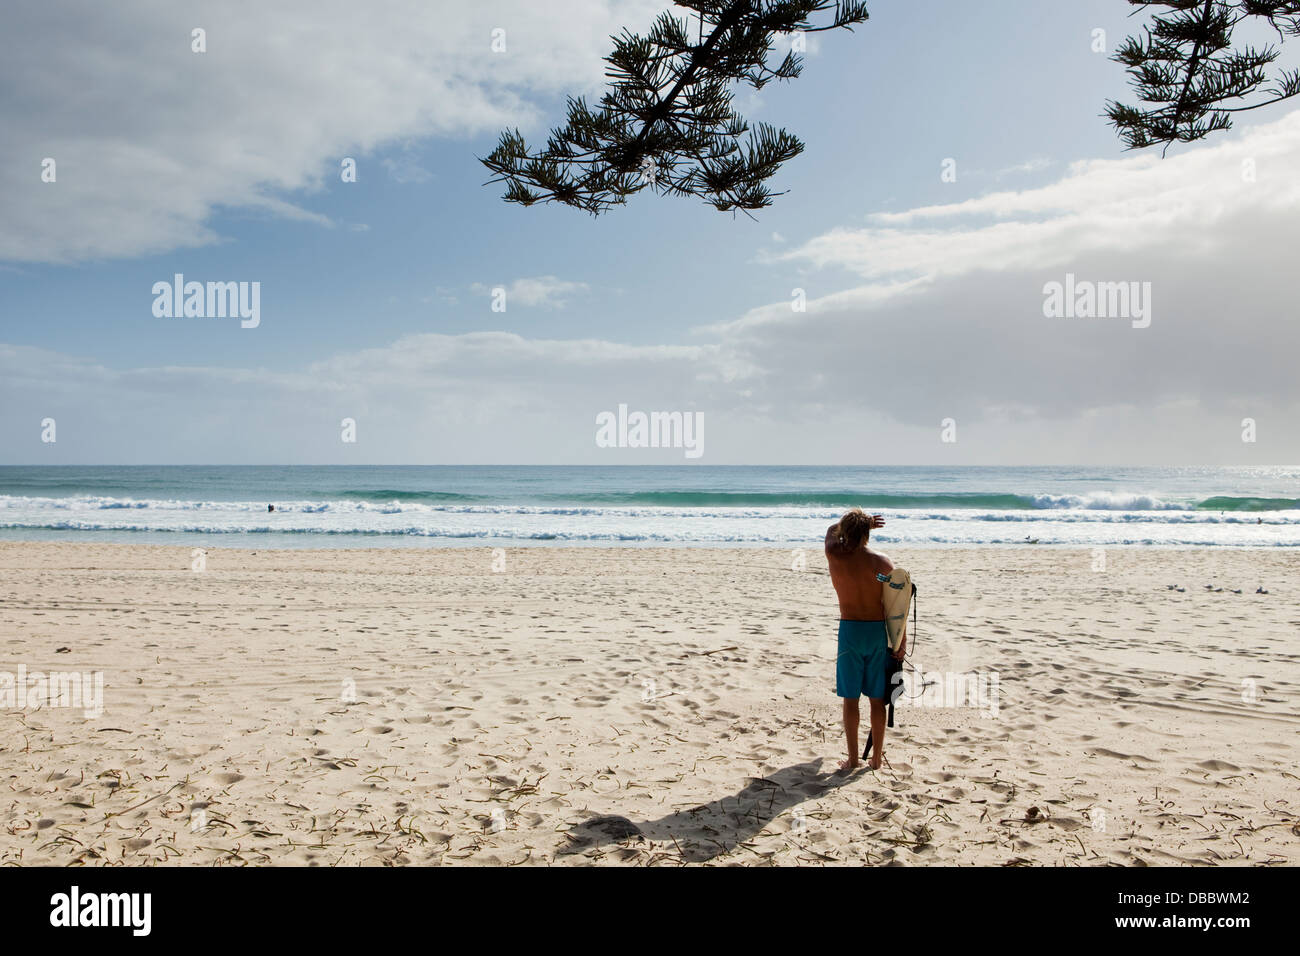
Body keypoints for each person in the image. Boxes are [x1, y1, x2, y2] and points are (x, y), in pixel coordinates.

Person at [825, 507, 903, 771]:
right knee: (877, 699)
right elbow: (897, 608)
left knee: (851, 700)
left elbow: (829, 532)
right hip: (877, 633)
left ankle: (853, 759)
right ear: (868, 533)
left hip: (850, 633)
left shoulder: (834, 555)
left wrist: (860, 523)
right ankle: (877, 759)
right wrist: (900, 645)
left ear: (845, 532)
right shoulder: (882, 563)